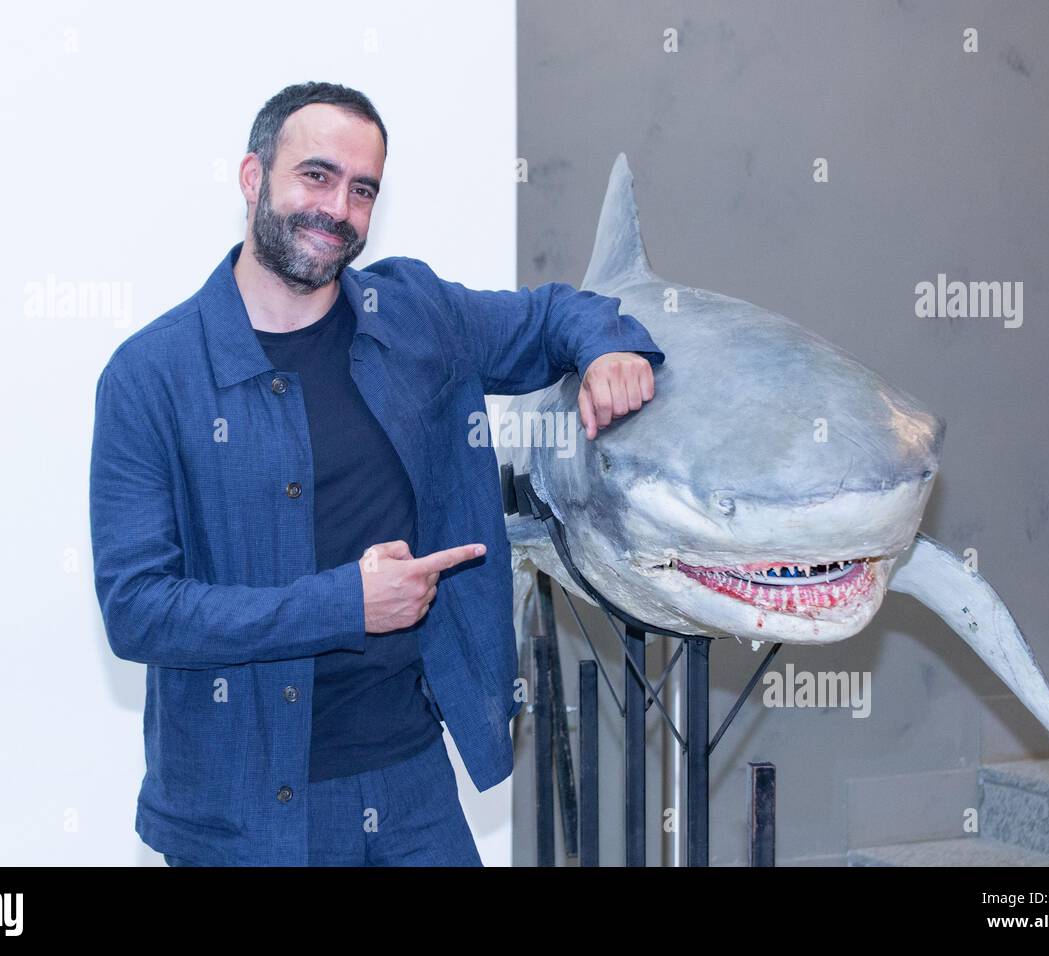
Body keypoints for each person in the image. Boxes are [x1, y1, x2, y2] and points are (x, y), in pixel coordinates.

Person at [89, 81, 665, 866]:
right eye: (316, 176)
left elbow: (555, 312)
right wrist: (343, 604)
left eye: (363, 190)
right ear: (253, 178)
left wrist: (610, 348)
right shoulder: (150, 376)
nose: (339, 208)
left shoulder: (415, 315)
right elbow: (138, 612)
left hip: (409, 784)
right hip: (239, 814)